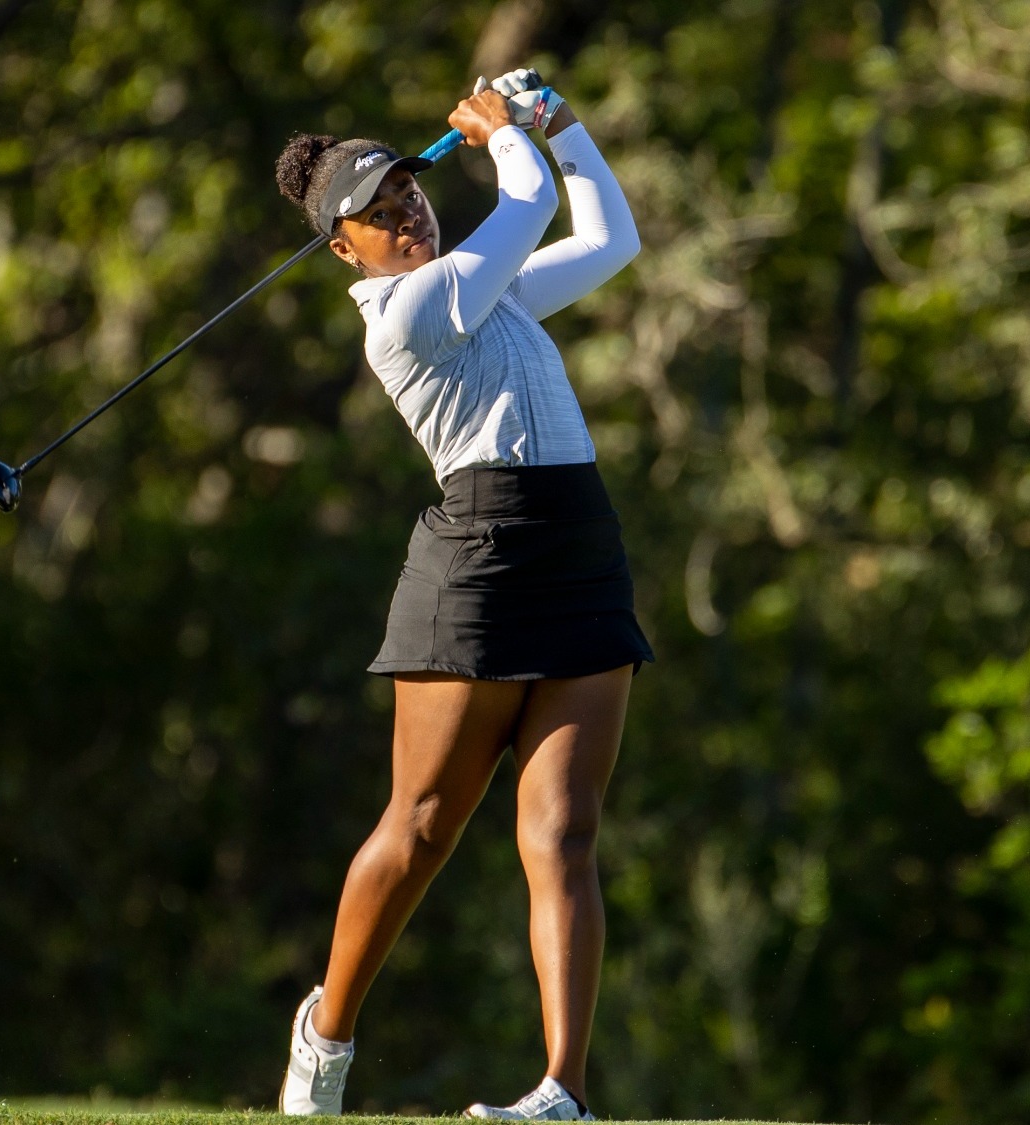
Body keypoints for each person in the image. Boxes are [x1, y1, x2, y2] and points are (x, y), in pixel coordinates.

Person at [272, 68, 652, 1122]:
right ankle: (327, 1034)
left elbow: (607, 240)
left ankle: (560, 1095)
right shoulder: (403, 313)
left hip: (577, 550)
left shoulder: (486, 289)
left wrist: (560, 128)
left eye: (408, 196)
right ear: (342, 248)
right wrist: (502, 136)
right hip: (477, 561)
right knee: (425, 823)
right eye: (379, 216)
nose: (407, 216)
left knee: (562, 834)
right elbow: (524, 206)